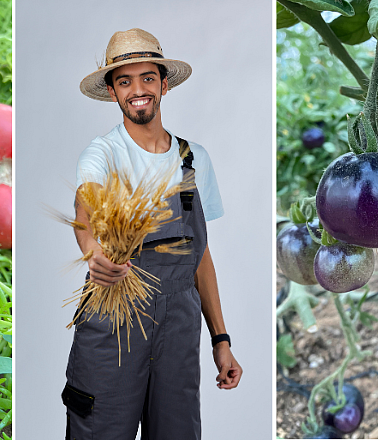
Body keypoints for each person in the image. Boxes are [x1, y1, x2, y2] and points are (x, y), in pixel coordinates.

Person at [62, 28, 242, 440]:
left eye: (147, 78)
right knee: (100, 429)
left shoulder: (194, 160)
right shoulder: (103, 154)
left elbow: (200, 256)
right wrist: (92, 253)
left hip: (179, 322)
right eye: (124, 81)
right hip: (117, 315)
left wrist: (221, 338)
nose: (137, 90)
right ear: (112, 92)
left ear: (164, 84)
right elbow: (84, 209)